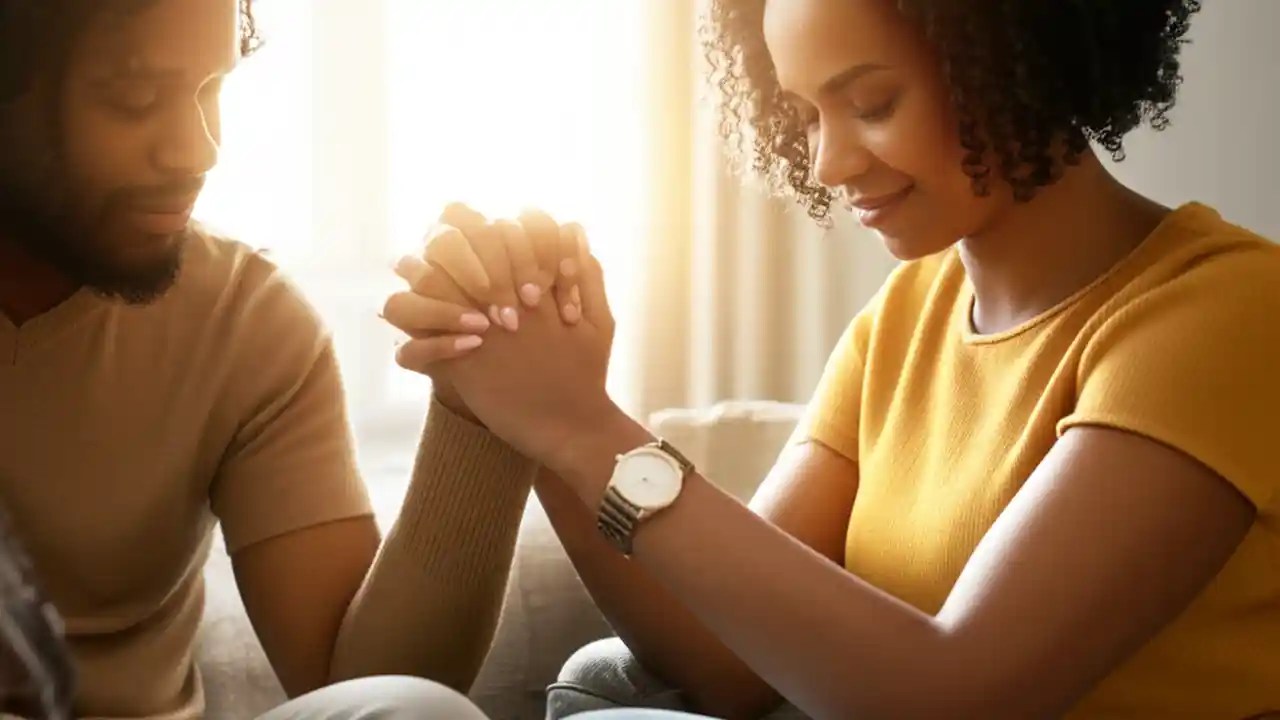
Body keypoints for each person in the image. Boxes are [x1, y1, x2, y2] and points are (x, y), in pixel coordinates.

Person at [383, 0, 1280, 717]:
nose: (828, 161)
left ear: (1023, 56)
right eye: (803, 112)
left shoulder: (1228, 312)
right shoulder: (906, 314)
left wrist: (585, 430)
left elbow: (957, 697)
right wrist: (534, 408)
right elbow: (729, 665)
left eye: (871, 103)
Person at [0, 0, 564, 717]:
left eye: (212, 89)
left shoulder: (243, 321)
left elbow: (364, 682)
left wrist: (477, 413)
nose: (198, 151)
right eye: (135, 97)